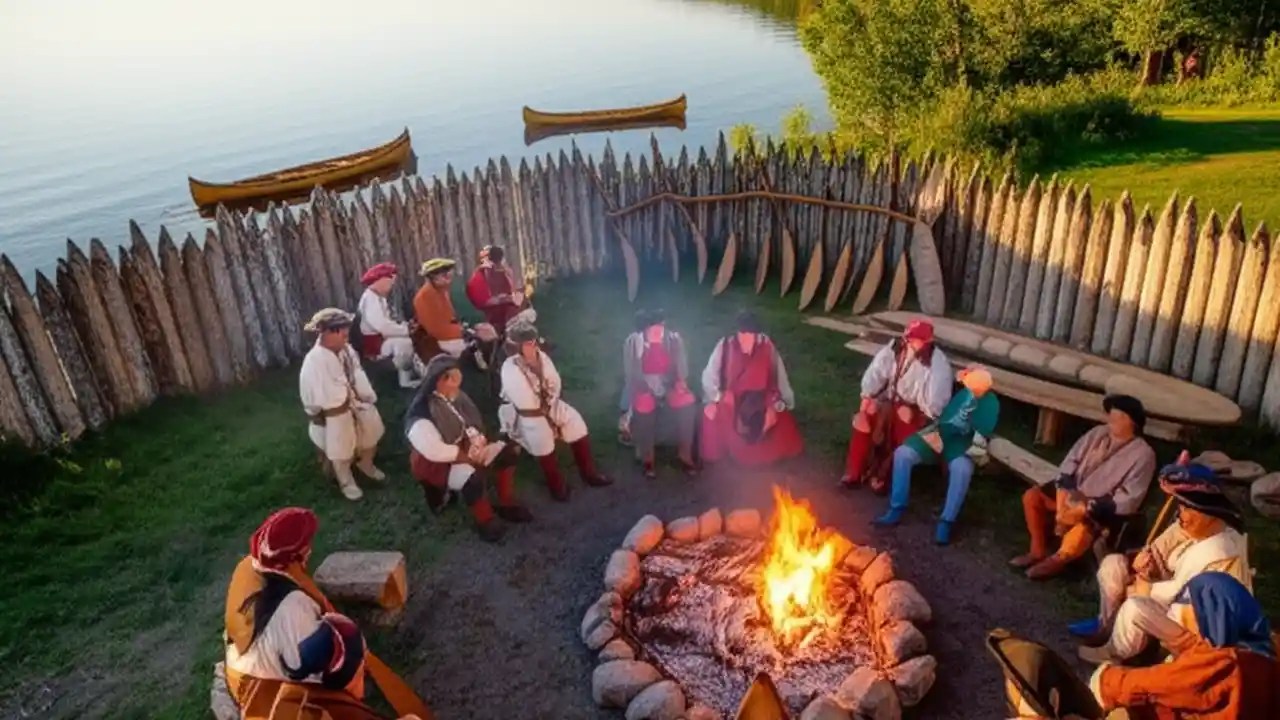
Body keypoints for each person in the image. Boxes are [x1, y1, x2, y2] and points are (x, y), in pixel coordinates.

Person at [223, 508, 432, 720]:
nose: (310, 550)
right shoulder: (293, 613)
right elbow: (307, 663)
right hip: (266, 689)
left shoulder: (251, 568)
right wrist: (350, 669)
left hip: (245, 669)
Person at [988, 573, 1279, 720]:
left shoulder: (1229, 664)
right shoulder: (1264, 659)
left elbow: (1157, 684)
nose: (1185, 623)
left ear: (1212, 615)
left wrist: (1107, 679)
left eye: (1192, 615)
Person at [1072, 459, 1251, 665]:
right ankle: (1108, 628)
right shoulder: (1193, 528)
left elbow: (1179, 593)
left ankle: (1117, 654)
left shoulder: (1216, 549)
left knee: (1135, 606)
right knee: (1114, 566)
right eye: (1181, 507)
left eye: (1187, 508)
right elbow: (1156, 552)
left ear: (1208, 514)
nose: (1181, 514)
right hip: (1174, 602)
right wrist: (1145, 564)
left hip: (1198, 629)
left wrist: (1146, 589)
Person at [1012, 395, 1157, 580]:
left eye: (1116, 417)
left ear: (1130, 422)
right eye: (1110, 416)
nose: (1110, 420)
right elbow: (1072, 459)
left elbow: (1131, 495)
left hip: (1102, 506)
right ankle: (1037, 551)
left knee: (1084, 527)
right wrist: (1066, 489)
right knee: (1032, 497)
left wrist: (1092, 505)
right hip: (1073, 492)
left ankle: (1057, 561)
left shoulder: (1143, 454)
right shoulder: (1099, 433)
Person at [405, 354, 531, 543]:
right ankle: (485, 520)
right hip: (441, 463)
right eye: (453, 380)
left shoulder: (456, 395)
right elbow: (434, 451)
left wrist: (479, 443)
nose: (457, 384)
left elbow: (470, 422)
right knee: (473, 479)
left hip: (468, 448)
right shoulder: (422, 414)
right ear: (441, 380)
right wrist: (467, 457)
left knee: (509, 452)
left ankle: (506, 503)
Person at [872, 365, 1000, 546]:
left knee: (962, 469)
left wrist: (961, 427)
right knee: (903, 453)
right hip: (940, 435)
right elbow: (945, 419)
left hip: (963, 442)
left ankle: (946, 521)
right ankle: (896, 508)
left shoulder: (991, 402)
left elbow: (982, 428)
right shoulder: (963, 395)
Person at [498, 321, 612, 500]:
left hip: (550, 404)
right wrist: (542, 411)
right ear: (517, 347)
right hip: (529, 414)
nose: (532, 346)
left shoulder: (542, 357)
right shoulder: (509, 368)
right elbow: (524, 398)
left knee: (576, 423)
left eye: (533, 342)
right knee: (543, 442)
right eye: (527, 343)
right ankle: (556, 486)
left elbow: (554, 381)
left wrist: (550, 401)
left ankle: (589, 473)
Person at [840, 319, 952, 493]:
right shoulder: (895, 349)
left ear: (927, 341)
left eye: (916, 340)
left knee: (904, 427)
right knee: (865, 418)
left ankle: (885, 476)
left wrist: (913, 411)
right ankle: (855, 472)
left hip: (922, 416)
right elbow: (876, 373)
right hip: (891, 403)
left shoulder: (937, 365)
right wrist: (867, 399)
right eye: (908, 338)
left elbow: (935, 405)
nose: (909, 342)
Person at [699, 310, 804, 467]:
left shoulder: (766, 345)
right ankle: (733, 452)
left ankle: (764, 453)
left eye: (750, 334)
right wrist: (715, 397)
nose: (746, 338)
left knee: (777, 417)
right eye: (743, 333)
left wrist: (780, 401)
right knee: (718, 413)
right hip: (733, 397)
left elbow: (778, 373)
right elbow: (709, 375)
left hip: (761, 396)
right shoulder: (725, 345)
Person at [299, 308, 385, 501]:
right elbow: (322, 399)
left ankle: (366, 463)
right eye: (341, 333)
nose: (345, 337)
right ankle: (345, 479)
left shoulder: (345, 350)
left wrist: (364, 396)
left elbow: (356, 373)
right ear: (326, 333)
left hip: (351, 402)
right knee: (341, 442)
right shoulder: (315, 361)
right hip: (330, 413)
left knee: (372, 424)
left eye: (346, 333)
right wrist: (344, 402)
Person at [623, 309, 698, 478]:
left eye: (660, 327)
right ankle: (647, 459)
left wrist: (680, 382)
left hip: (668, 383)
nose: (657, 332)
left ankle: (685, 454)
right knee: (643, 404)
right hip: (644, 384)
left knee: (687, 400)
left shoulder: (674, 340)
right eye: (652, 328)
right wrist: (644, 388)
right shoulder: (633, 342)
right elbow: (631, 373)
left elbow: (681, 369)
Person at [412, 257, 496, 367]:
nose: (447, 276)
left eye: (448, 272)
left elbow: (451, 319)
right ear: (431, 277)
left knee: (489, 331)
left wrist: (468, 328)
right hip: (436, 340)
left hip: (452, 333)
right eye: (441, 274)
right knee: (466, 347)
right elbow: (435, 330)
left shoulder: (442, 292)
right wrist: (464, 332)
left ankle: (491, 367)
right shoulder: (424, 297)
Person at [356, 262, 422, 389]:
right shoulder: (370, 299)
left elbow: (387, 322)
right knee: (405, 344)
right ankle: (405, 380)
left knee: (410, 341)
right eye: (390, 282)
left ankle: (414, 372)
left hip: (380, 338)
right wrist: (405, 330)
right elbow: (382, 326)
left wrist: (403, 326)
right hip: (373, 344)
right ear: (381, 281)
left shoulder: (378, 298)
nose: (392, 285)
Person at [464, 245, 534, 333]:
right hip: (497, 320)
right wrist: (504, 299)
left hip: (510, 316)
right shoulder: (481, 276)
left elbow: (514, 291)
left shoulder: (505, 272)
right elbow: (483, 301)